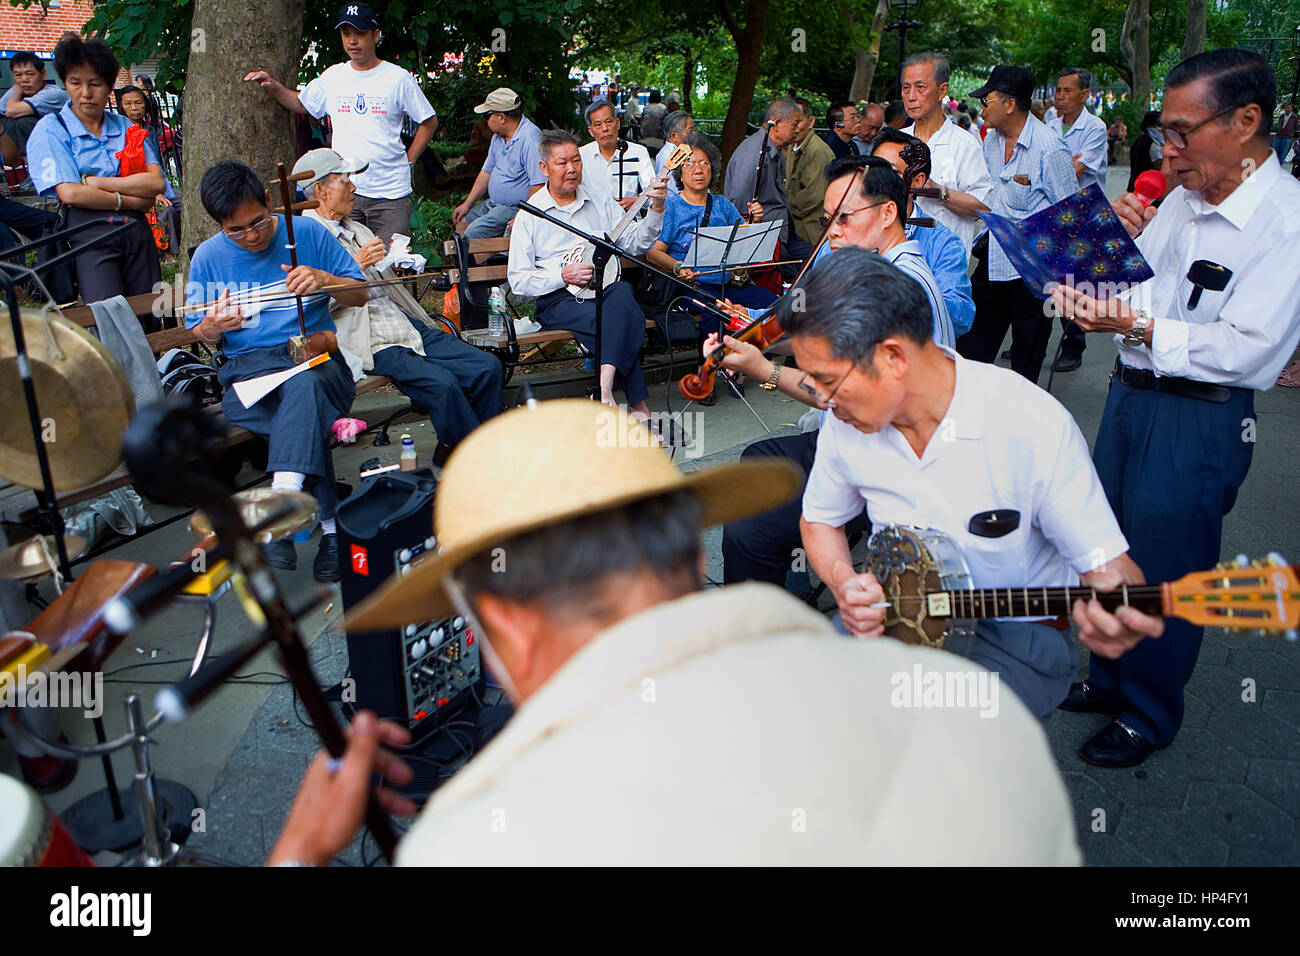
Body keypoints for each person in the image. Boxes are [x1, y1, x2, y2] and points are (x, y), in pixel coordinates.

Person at [267, 398, 1082, 866]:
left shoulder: (477, 844)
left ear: (501, 626)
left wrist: (300, 855)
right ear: (695, 552)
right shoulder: (974, 710)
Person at [780, 248, 1163, 720]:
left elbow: (1108, 567)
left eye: (828, 382)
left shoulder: (1030, 423)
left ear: (894, 357)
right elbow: (819, 519)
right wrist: (844, 583)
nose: (821, 399)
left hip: (1012, 634)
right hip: (899, 613)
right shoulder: (846, 422)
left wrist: (1118, 606)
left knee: (932, 744)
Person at [1051, 49, 1300, 767]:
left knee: (1166, 566)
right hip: (1131, 397)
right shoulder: (1184, 199)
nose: (1168, 149)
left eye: (1184, 132)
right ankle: (1107, 677)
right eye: (1165, 131)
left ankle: (1149, 712)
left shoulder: (1283, 221)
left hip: (1200, 416)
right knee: (1108, 547)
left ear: (1248, 121)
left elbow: (1250, 350)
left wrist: (1133, 327)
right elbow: (1135, 292)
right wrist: (1113, 242)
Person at [185, 161, 368, 581]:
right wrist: (210, 328)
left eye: (258, 223)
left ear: (269, 201)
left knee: (303, 386)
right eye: (236, 230)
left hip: (315, 358)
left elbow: (361, 294)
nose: (250, 236)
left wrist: (323, 278)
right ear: (218, 225)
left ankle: (281, 504)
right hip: (250, 376)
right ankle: (330, 526)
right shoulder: (210, 257)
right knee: (302, 410)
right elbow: (198, 329)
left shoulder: (305, 233)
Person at [295, 148, 503, 462]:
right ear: (321, 190)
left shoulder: (356, 228)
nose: (354, 187)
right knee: (443, 384)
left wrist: (397, 262)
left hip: (404, 323)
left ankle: (456, 449)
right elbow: (308, 307)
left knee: (488, 367)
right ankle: (477, 460)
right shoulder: (306, 237)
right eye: (345, 181)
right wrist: (357, 264)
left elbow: (382, 283)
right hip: (371, 338)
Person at [245, 2, 438, 245]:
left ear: (375, 35)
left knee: (391, 265)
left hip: (389, 193)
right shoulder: (334, 76)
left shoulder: (398, 78)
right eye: (347, 34)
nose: (352, 41)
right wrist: (274, 87)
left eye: (360, 33)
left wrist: (409, 160)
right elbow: (302, 104)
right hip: (343, 189)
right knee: (346, 265)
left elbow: (429, 121)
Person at [507, 130, 665, 418]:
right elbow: (518, 280)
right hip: (557, 300)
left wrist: (656, 208)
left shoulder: (599, 201)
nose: (571, 169)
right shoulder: (531, 214)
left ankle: (603, 391)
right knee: (623, 319)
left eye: (576, 161)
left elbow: (635, 242)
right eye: (562, 162)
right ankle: (638, 405)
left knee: (622, 294)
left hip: (603, 291)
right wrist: (562, 275)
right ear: (544, 168)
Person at [956, 65, 1078, 385]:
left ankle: (1021, 423)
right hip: (993, 259)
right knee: (971, 350)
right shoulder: (991, 142)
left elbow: (1071, 215)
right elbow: (989, 196)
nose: (982, 109)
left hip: (1033, 271)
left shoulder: (1049, 149)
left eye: (987, 101)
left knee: (1026, 358)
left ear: (1010, 104)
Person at [26, 35, 163, 312]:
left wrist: (96, 182)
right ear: (65, 82)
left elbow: (155, 182)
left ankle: (155, 355)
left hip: (136, 230)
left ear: (109, 87)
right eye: (75, 83)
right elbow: (70, 192)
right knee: (107, 312)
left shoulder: (125, 126)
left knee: (149, 310)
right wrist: (129, 200)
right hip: (89, 232)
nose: (85, 93)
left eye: (95, 84)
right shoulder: (52, 129)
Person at [869, 128, 975, 336]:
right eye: (872, 170)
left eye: (890, 172)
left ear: (917, 181)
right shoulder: (848, 228)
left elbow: (960, 317)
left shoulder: (944, 243)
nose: (875, 180)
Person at [899, 53, 994, 253]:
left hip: (946, 261)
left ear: (942, 90)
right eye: (906, 87)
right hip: (900, 258)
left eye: (920, 87)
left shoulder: (965, 144)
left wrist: (937, 190)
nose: (911, 96)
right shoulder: (895, 142)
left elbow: (984, 207)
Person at [1047, 68, 1109, 374]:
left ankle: (1073, 345)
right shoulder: (1049, 122)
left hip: (1083, 214)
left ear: (1084, 94)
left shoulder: (1094, 128)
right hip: (1051, 211)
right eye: (1058, 90)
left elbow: (1075, 170)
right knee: (1045, 279)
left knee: (1074, 283)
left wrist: (1041, 174)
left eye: (1066, 91)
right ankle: (1030, 341)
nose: (1059, 97)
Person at [724, 99, 813, 279]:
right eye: (794, 124)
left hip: (782, 231)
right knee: (794, 280)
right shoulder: (754, 155)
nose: (797, 129)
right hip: (766, 236)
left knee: (817, 259)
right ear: (777, 124)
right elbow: (739, 203)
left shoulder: (775, 150)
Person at [451, 87, 544, 240]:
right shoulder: (498, 137)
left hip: (514, 208)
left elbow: (538, 185)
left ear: (501, 117)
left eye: (487, 116)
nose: (484, 121)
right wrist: (467, 204)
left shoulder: (530, 139)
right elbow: (486, 171)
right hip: (494, 203)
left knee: (472, 234)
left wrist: (524, 216)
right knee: (462, 221)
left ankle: (480, 263)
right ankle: (467, 263)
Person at [118, 85, 180, 262]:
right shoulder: (122, 132)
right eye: (128, 103)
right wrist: (154, 191)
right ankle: (169, 254)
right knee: (166, 210)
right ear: (122, 107)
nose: (134, 108)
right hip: (141, 187)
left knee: (184, 201)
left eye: (138, 102)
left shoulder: (151, 130)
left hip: (163, 184)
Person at [578, 100, 655, 208]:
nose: (605, 129)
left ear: (617, 123)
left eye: (609, 122)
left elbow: (653, 192)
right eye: (598, 125)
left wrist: (637, 201)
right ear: (591, 131)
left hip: (629, 220)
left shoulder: (638, 152)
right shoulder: (580, 155)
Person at [0, 52, 68, 166]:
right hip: (22, 146)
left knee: (24, 120)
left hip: (58, 145)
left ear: (43, 74)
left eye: (30, 74)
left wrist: (16, 94)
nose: (24, 80)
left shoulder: (53, 93)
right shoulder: (18, 90)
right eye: (18, 75)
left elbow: (11, 111)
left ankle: (34, 167)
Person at [784, 100, 836, 244]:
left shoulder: (818, 151)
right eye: (789, 121)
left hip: (811, 231)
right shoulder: (791, 146)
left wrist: (783, 206)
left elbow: (812, 197)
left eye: (798, 121)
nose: (794, 127)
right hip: (795, 227)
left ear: (811, 122)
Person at [1126, 110, 1164, 193]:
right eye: (1161, 125)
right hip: (1149, 189)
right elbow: (1159, 164)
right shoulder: (1156, 141)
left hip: (1134, 185)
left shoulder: (1137, 140)